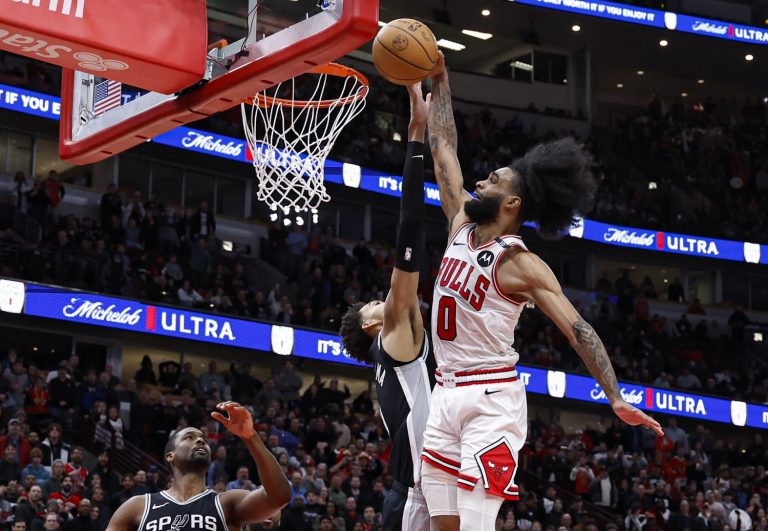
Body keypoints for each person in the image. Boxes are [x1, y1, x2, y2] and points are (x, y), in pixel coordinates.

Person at [419, 52, 663, 531]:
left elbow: (578, 328)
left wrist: (614, 396)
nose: (482, 178)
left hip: (491, 400)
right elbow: (443, 145)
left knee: (473, 526)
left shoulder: (521, 264)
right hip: (444, 393)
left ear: (511, 203)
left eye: (494, 179)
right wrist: (441, 79)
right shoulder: (460, 222)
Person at [340, 83, 435, 531]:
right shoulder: (395, 340)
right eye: (376, 304)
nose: (385, 299)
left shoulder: (387, 364)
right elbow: (410, 228)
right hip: (416, 499)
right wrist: (415, 135)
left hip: (413, 495)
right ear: (373, 325)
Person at [104, 401, 290, 531]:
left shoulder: (227, 502)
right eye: (189, 437)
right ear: (171, 456)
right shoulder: (137, 507)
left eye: (204, 439)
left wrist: (251, 437)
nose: (201, 440)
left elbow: (279, 497)